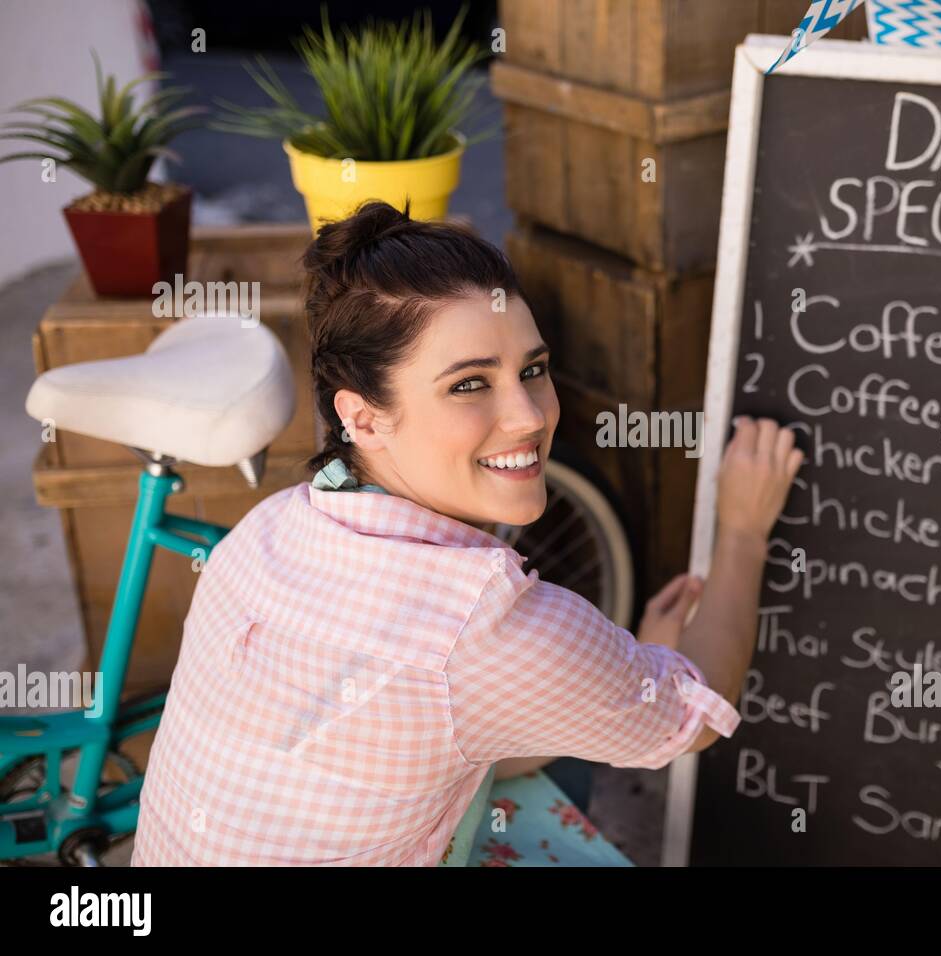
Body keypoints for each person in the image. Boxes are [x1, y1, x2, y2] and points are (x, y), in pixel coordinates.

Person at [130, 201, 802, 866]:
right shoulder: (485, 625)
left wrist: (614, 679)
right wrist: (742, 529)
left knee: (558, 760)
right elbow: (696, 718)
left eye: (532, 370)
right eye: (468, 384)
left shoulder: (269, 526)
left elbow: (427, 725)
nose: (527, 417)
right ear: (363, 419)